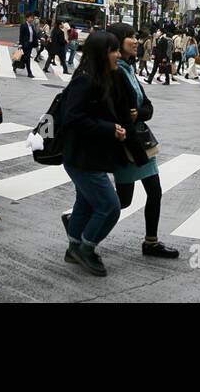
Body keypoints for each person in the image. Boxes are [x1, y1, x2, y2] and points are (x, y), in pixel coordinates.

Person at [66, 25, 181, 261]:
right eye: (129, 37)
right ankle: (79, 227)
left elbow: (146, 106)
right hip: (127, 142)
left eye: (136, 36)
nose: (135, 41)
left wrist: (139, 113)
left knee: (154, 192)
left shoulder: (127, 70)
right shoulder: (114, 72)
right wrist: (121, 127)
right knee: (121, 201)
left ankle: (151, 241)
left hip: (139, 140)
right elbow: (116, 113)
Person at [59, 30, 130, 275]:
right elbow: (73, 118)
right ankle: (86, 249)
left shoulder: (99, 77)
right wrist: (110, 129)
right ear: (102, 53)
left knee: (85, 204)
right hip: (81, 158)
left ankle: (73, 248)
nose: (118, 55)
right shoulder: (86, 80)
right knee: (110, 207)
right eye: (114, 51)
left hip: (88, 156)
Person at [18, 12, 38, 78]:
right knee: (27, 58)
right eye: (30, 18)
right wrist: (20, 44)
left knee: (25, 58)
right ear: (27, 18)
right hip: (25, 45)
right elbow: (21, 35)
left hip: (30, 45)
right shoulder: (23, 25)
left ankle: (15, 65)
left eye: (32, 18)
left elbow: (34, 34)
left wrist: (41, 38)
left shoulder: (31, 26)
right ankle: (29, 73)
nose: (32, 19)